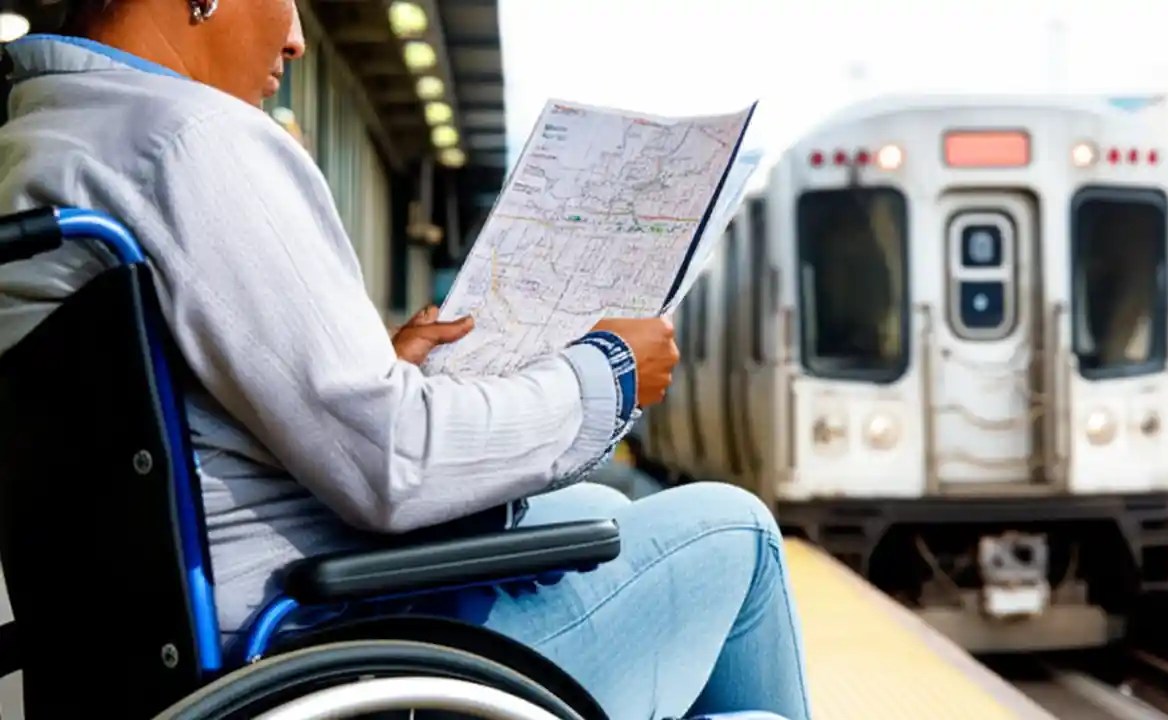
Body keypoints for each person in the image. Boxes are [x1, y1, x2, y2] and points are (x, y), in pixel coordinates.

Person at [0, 2, 812, 718]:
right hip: (316, 654)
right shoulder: (192, 139)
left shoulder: (42, 143)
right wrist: (606, 373)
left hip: (145, 645)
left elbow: (191, 413)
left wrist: (379, 369)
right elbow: (392, 463)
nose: (296, 41)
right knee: (738, 532)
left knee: (584, 513)